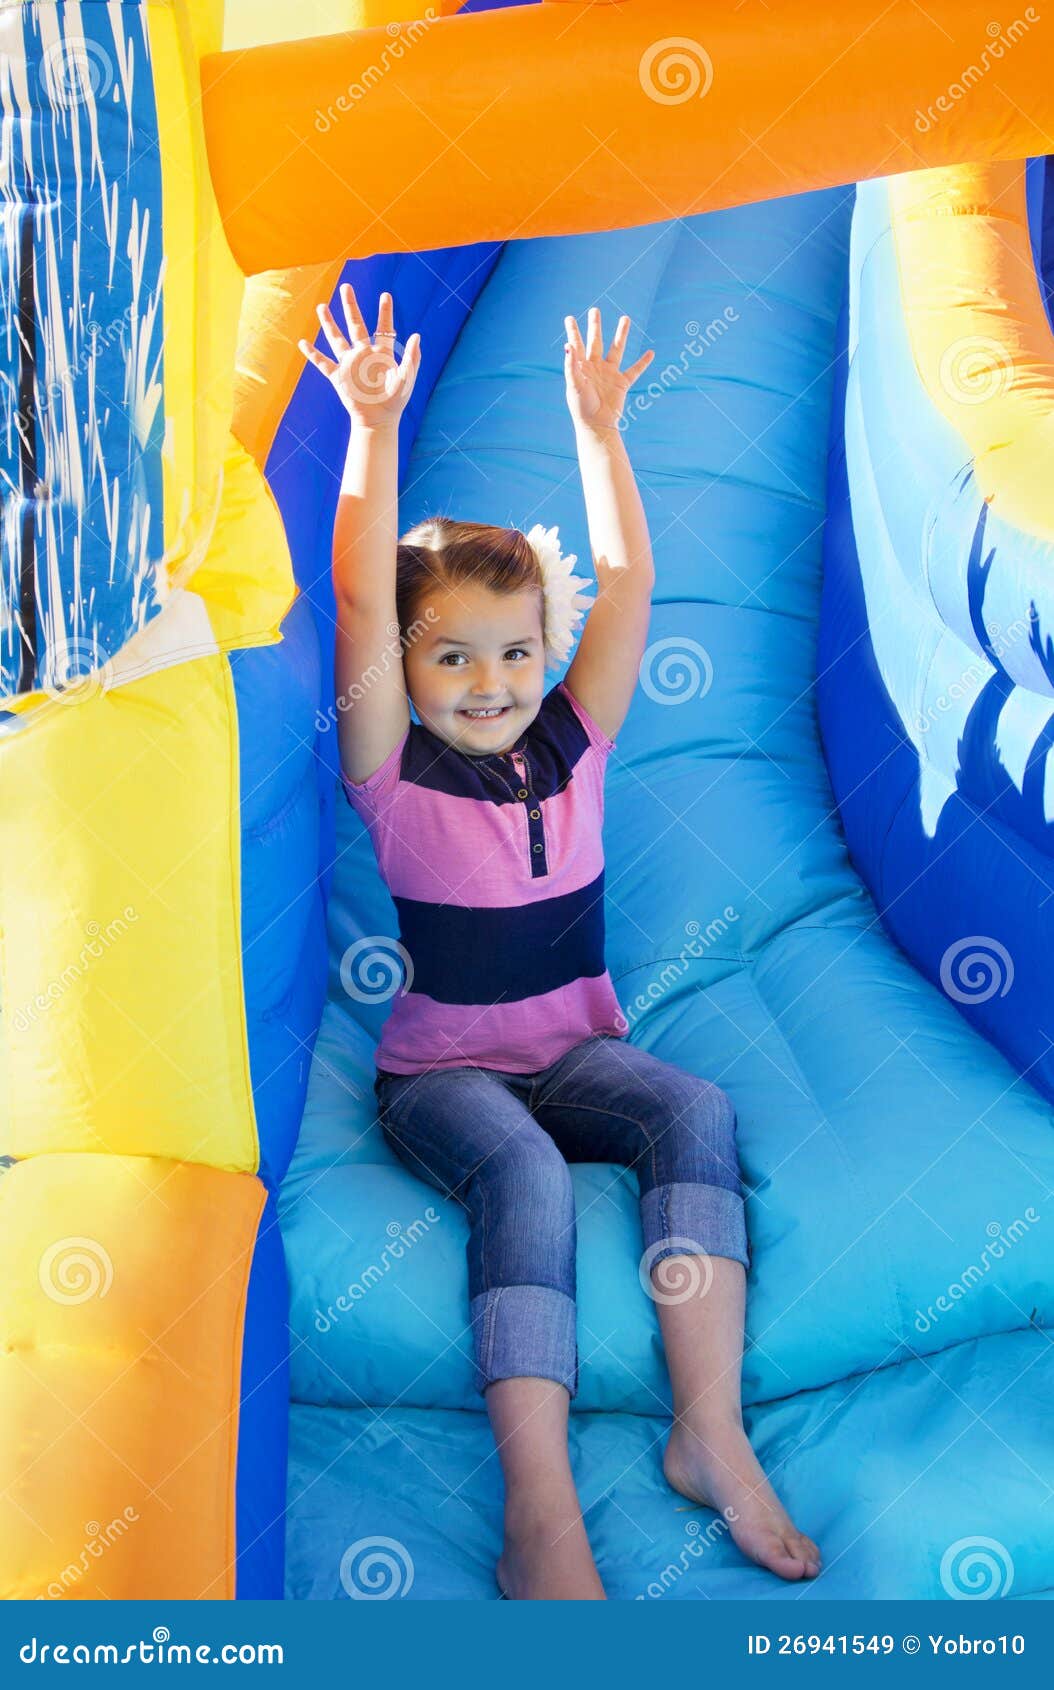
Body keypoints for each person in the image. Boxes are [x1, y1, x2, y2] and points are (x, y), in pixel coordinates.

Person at [299, 285, 821, 1600]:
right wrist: (373, 426)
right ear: (410, 676)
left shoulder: (572, 741)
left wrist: (600, 429)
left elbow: (632, 582)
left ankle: (709, 1429)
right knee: (525, 1174)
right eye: (454, 659)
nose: (491, 683)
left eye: (514, 652)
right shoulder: (393, 772)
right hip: (445, 1080)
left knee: (690, 1107)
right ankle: (540, 1511)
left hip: (575, 1047)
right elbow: (359, 610)